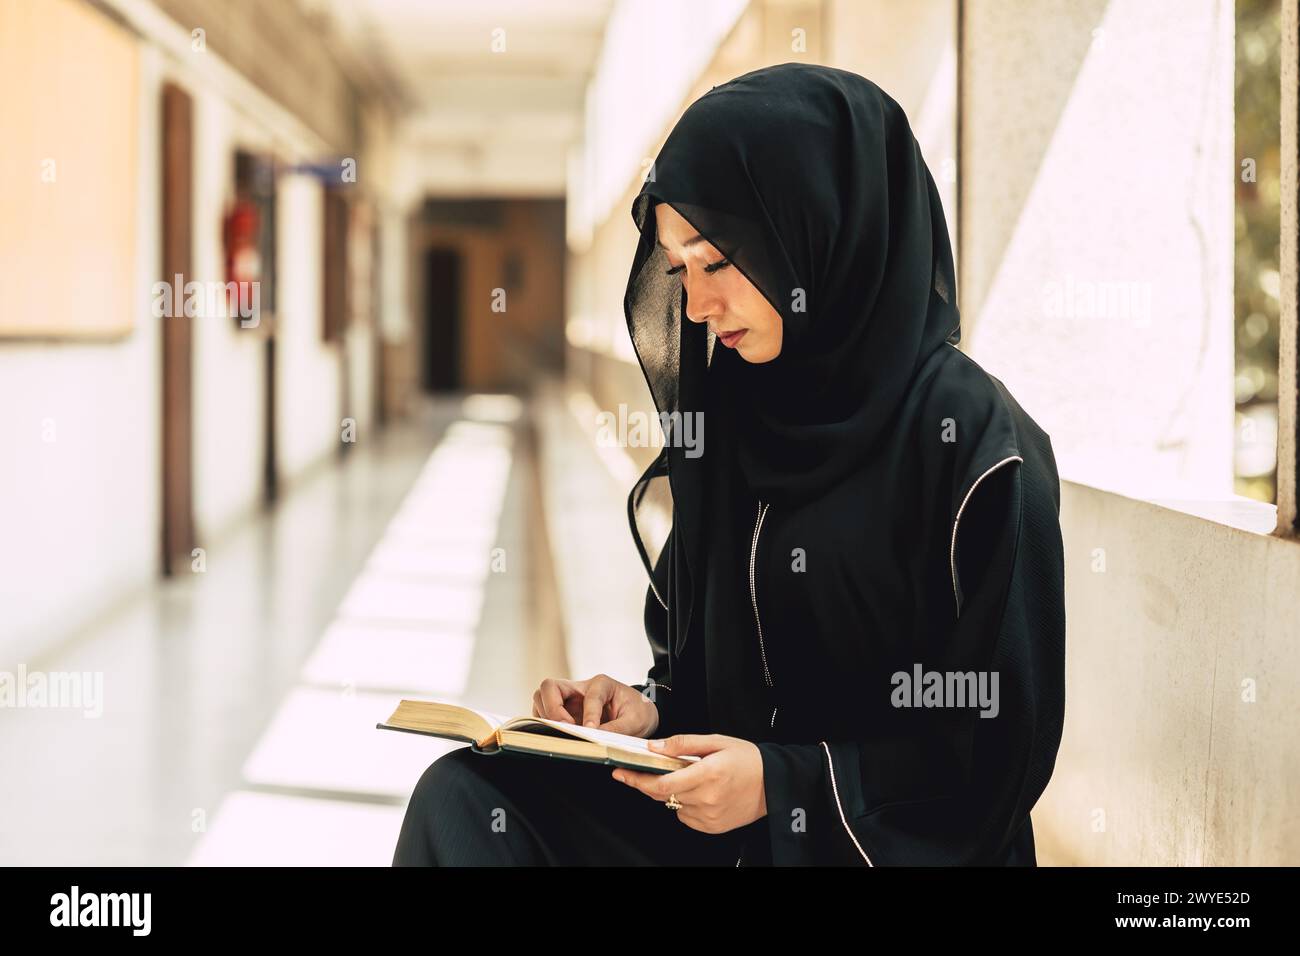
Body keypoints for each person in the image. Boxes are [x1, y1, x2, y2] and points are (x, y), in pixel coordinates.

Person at [392, 62, 1065, 867]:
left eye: (715, 262)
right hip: (721, 830)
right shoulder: (737, 422)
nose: (699, 307)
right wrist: (643, 712)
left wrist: (789, 786)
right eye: (678, 272)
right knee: (468, 798)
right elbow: (705, 673)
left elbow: (997, 752)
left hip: (873, 844)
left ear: (817, 229)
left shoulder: (979, 450)